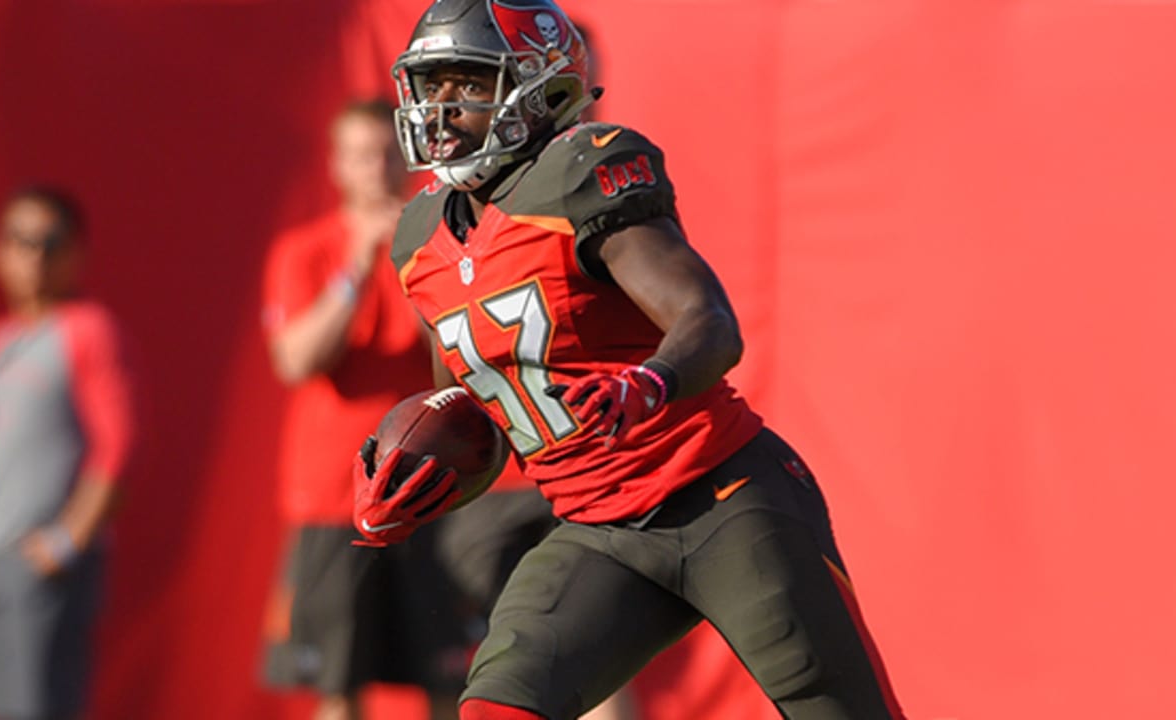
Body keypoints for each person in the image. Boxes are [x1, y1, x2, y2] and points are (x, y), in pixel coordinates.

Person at [349, 1, 908, 719]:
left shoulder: (579, 172)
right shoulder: (419, 237)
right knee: (498, 708)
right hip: (595, 530)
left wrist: (650, 381)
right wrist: (417, 482)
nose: (442, 108)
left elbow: (708, 321)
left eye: (465, 83)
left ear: (541, 87)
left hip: (723, 498)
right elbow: (478, 418)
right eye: (432, 87)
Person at [260, 98, 467, 720]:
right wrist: (357, 262)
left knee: (449, 674)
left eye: (384, 154)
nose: (373, 170)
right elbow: (296, 360)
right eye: (358, 156)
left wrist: (411, 262)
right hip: (333, 496)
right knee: (337, 680)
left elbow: (456, 364)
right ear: (336, 166)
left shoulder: (434, 248)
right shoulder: (305, 251)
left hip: (428, 486)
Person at [0, 186, 135, 720]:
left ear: (74, 253)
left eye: (49, 242)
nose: (34, 256)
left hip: (43, 563)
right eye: (21, 241)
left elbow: (119, 445)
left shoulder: (86, 330)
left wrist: (66, 542)